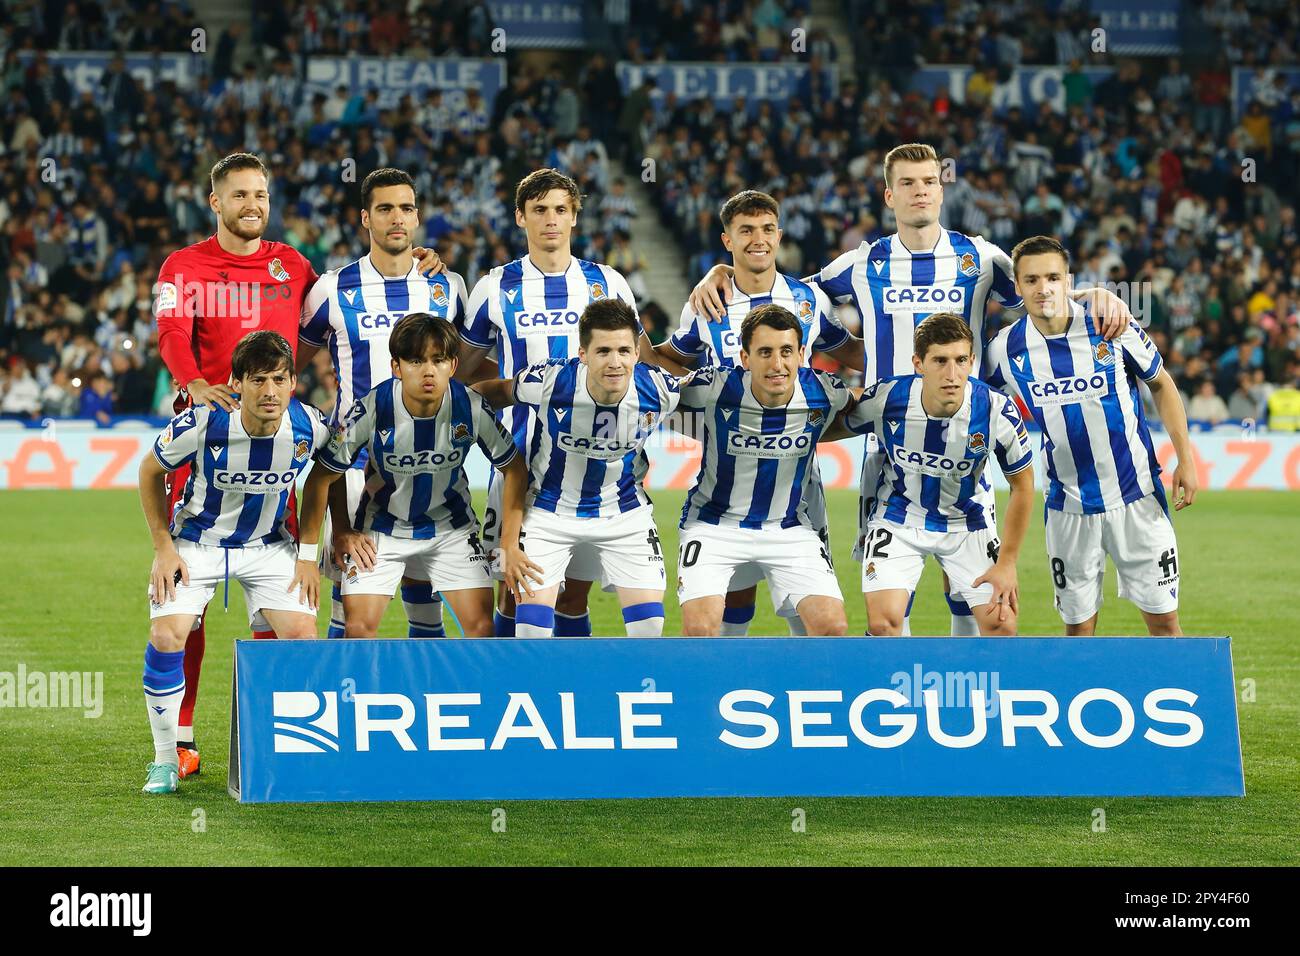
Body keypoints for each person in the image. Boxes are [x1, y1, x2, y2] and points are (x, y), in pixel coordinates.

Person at [689, 143, 1136, 637]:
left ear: (942, 191)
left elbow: (1041, 289)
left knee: (970, 591)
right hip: (888, 442)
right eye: (907, 183)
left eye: (928, 181)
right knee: (891, 602)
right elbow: (781, 287)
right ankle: (900, 698)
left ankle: (965, 693)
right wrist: (723, 271)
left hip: (969, 437)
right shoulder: (862, 263)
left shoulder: (980, 258)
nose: (919, 191)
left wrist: (1089, 293)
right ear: (889, 194)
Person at [152, 151, 441, 778]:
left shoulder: (295, 266)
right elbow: (171, 330)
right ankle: (180, 734)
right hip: (206, 448)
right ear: (216, 203)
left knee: (276, 588)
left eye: (261, 194)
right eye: (239, 196)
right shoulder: (183, 266)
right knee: (189, 598)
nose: (252, 205)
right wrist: (193, 381)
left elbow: (345, 313)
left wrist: (417, 267)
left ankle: (266, 724)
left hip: (284, 449)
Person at [455, 167, 685, 638]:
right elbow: (463, 368)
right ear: (520, 217)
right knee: (514, 588)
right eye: (539, 210)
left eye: (561, 209)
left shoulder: (609, 283)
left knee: (574, 592)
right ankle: (513, 684)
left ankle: (570, 699)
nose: (550, 220)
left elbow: (642, 360)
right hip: (520, 463)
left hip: (600, 462)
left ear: (575, 216)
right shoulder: (495, 287)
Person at [656, 188, 862, 637]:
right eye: (745, 230)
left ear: (780, 235)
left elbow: (855, 355)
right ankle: (727, 687)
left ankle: (803, 694)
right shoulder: (707, 305)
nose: (758, 239)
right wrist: (703, 411)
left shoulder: (808, 300)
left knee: (810, 613)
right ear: (727, 239)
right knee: (736, 593)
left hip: (798, 481)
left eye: (767, 229)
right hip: (726, 468)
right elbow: (667, 360)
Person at [138, 331, 330, 794]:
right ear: (237, 383)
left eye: (280, 380)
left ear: (292, 383)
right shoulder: (202, 424)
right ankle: (166, 759)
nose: (270, 391)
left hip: (268, 546)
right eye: (258, 379)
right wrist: (163, 547)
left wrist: (307, 555)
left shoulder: (311, 425)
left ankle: (283, 750)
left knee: (303, 636)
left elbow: (328, 477)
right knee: (167, 634)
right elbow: (149, 471)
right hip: (197, 544)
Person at [984, 235, 1197, 636]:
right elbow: (973, 398)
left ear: (1069, 280)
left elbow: (1162, 384)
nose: (1043, 288)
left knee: (1166, 624)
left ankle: (1172, 698)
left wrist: (1185, 458)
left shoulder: (1110, 324)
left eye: (1053, 277)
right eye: (1031, 280)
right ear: (1017, 287)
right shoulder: (1003, 350)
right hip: (1067, 508)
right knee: (1078, 631)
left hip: (1137, 497)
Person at [296, 167, 469, 641]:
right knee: (348, 605)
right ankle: (342, 702)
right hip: (354, 470)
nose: (398, 218)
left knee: (425, 590)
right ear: (364, 218)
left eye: (407, 208)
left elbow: (466, 370)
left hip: (432, 466)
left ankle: (423, 697)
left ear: (417, 218)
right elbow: (291, 364)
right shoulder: (332, 289)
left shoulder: (447, 287)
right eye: (385, 208)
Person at [292, 314, 534, 638]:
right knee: (359, 630)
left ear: (453, 364)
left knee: (481, 631)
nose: (428, 371)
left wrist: (509, 540)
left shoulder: (471, 407)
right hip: (382, 528)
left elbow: (514, 467)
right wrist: (338, 534)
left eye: (438, 360)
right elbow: (322, 476)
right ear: (396, 367)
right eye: (416, 361)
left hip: (452, 527)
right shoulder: (373, 407)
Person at [473, 299, 680, 638]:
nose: (615, 363)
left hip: (624, 515)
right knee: (531, 633)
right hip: (548, 514)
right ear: (583, 353)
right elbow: (490, 392)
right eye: (603, 351)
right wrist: (454, 420)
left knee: (649, 629)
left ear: (637, 353)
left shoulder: (661, 390)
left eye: (625, 351)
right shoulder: (550, 381)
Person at [844, 312, 1035, 636]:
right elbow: (836, 426)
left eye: (961, 360)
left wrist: (1007, 563)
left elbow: (1023, 486)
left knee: (1002, 628)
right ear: (918, 363)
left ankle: (967, 685)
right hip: (900, 517)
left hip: (967, 522)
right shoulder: (889, 398)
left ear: (973, 361)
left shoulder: (996, 412)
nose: (952, 373)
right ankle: (896, 684)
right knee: (884, 624)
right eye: (940, 361)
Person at [675, 304, 852, 638]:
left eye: (786, 351)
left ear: (802, 354)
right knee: (700, 629)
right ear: (745, 357)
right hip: (714, 525)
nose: (777, 364)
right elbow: (654, 398)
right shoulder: (713, 387)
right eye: (765, 352)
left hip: (788, 527)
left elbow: (866, 411)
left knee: (833, 628)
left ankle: (805, 690)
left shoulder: (825, 391)